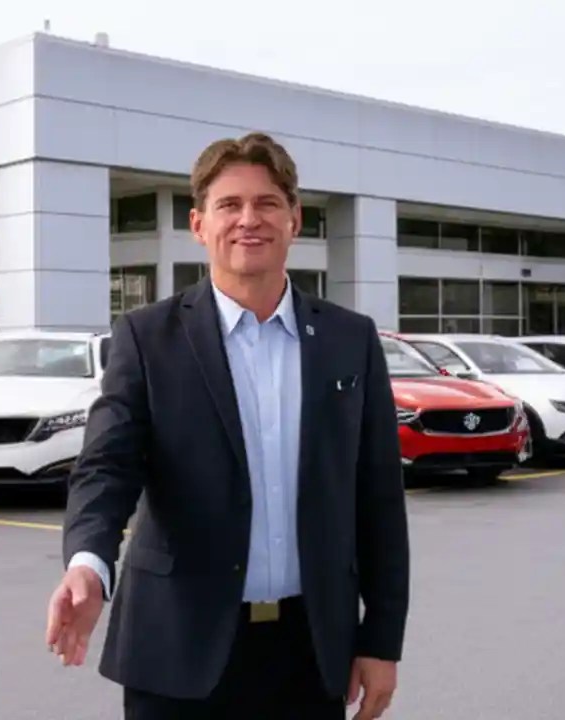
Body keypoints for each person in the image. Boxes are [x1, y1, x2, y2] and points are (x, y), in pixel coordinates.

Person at [45, 131, 411, 719]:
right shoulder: (146, 337)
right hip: (176, 650)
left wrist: (382, 638)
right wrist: (88, 563)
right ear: (198, 223)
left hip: (310, 651)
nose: (250, 220)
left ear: (295, 218)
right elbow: (106, 468)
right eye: (229, 205)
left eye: (267, 203)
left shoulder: (350, 339)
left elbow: (379, 500)